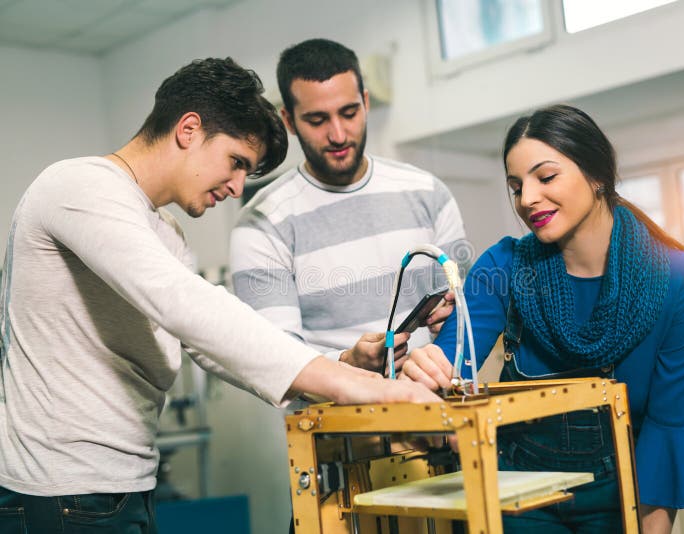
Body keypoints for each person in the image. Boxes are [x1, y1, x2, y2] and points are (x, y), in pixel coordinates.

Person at [0, 57, 439, 534]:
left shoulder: (164, 230)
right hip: (56, 492)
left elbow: (209, 346)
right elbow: (184, 303)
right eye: (236, 163)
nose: (236, 188)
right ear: (189, 129)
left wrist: (342, 366)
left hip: (124, 485)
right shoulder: (77, 185)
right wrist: (371, 390)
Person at [401, 104, 684, 533]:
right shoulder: (503, 267)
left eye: (546, 177)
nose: (527, 199)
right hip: (510, 495)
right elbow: (451, 366)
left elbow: (667, 432)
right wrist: (426, 373)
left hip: (619, 498)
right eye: (516, 187)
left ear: (597, 174)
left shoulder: (681, 282)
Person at [230, 38, 470, 376]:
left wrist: (451, 320)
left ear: (366, 102)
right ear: (289, 120)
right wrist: (346, 364)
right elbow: (274, 360)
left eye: (349, 113)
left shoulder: (429, 194)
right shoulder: (262, 223)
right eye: (317, 120)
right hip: (334, 411)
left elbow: (466, 314)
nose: (339, 135)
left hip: (434, 403)